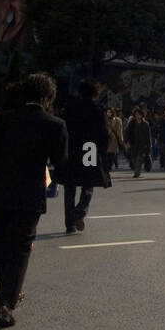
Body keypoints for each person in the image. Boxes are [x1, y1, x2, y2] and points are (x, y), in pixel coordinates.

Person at [0, 72, 69, 327]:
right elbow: (60, 163)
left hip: (0, 191)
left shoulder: (3, 120)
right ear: (48, 98)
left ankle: (7, 293)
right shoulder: (55, 124)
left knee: (1, 246)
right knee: (22, 247)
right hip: (30, 194)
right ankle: (7, 302)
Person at [55, 79, 110, 234]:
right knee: (88, 183)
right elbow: (104, 134)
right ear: (95, 92)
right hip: (90, 150)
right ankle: (79, 211)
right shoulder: (98, 109)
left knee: (69, 186)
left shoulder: (70, 108)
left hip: (71, 150)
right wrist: (103, 154)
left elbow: (62, 129)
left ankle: (69, 225)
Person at [127, 106, 152, 178]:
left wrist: (149, 146)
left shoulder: (145, 124)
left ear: (142, 115)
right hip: (134, 144)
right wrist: (127, 141)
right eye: (136, 114)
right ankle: (138, 169)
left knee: (139, 158)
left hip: (142, 145)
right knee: (134, 159)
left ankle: (136, 173)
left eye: (139, 114)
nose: (137, 116)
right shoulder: (132, 123)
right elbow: (128, 133)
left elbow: (148, 136)